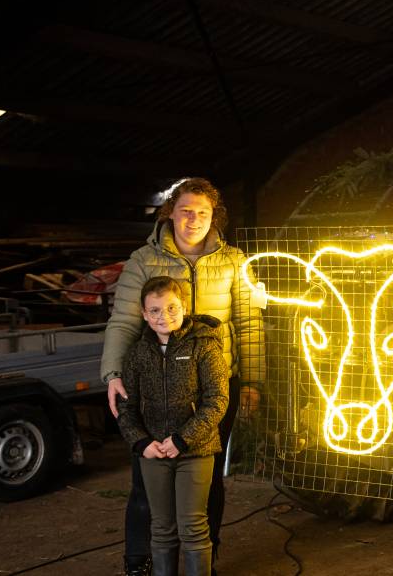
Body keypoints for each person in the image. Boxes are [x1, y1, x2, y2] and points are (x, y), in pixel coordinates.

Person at [101, 177, 263, 575]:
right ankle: (139, 561)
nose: (194, 219)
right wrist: (114, 373)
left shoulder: (233, 261)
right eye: (186, 211)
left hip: (214, 387)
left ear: (214, 216)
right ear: (170, 213)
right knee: (146, 477)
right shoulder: (144, 260)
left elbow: (249, 323)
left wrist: (253, 381)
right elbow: (122, 321)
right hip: (153, 386)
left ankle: (204, 559)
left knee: (207, 478)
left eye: (202, 212)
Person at [117, 276, 229, 576]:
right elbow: (126, 407)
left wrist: (183, 439)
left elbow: (217, 400)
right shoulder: (138, 354)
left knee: (193, 526)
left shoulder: (204, 346)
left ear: (184, 307)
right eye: (154, 310)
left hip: (196, 451)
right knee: (162, 527)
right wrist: (141, 442)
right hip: (154, 452)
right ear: (144, 314)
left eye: (171, 308)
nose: (163, 316)